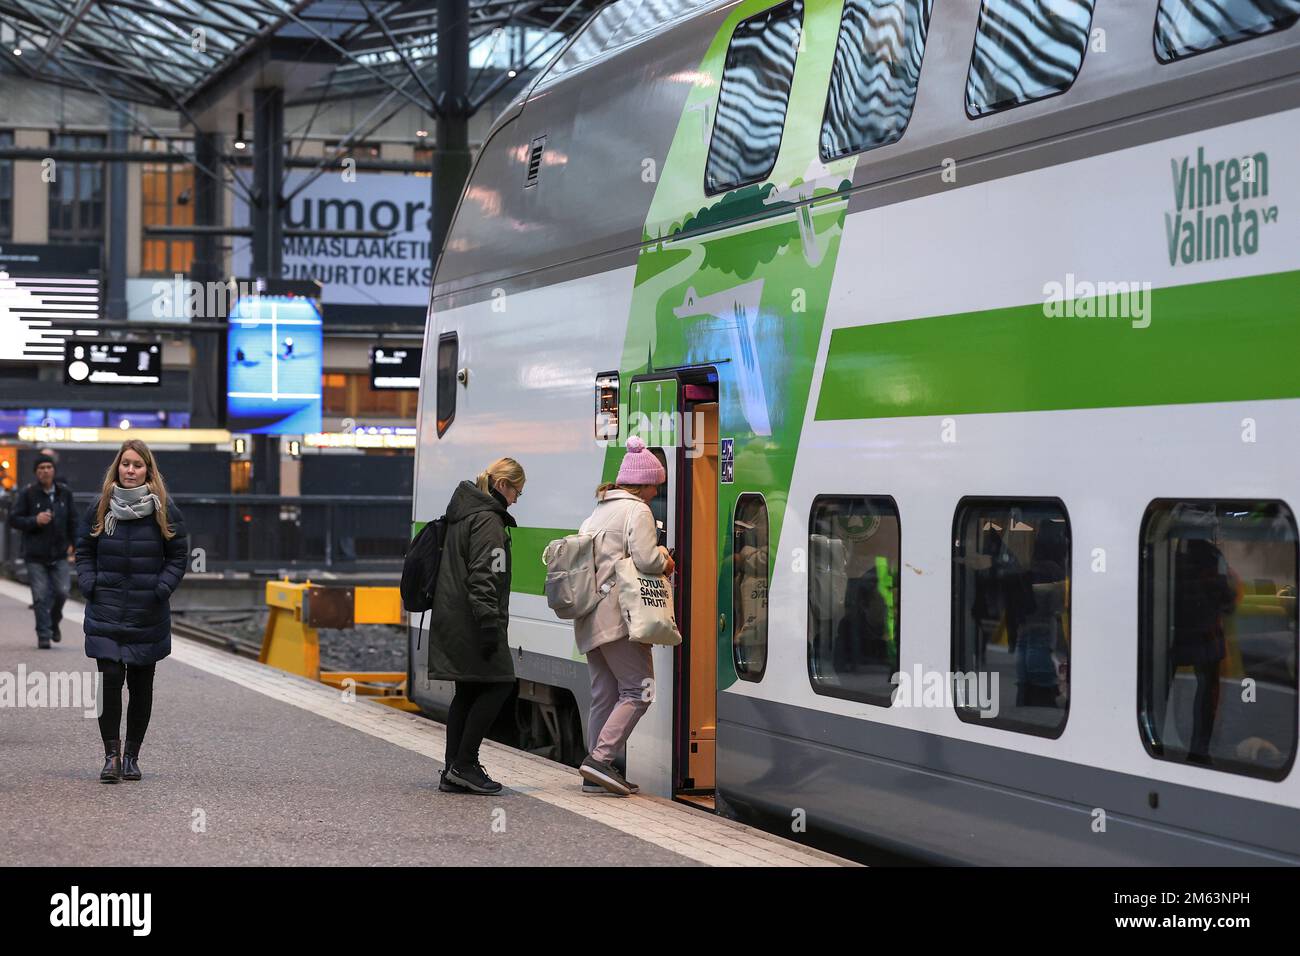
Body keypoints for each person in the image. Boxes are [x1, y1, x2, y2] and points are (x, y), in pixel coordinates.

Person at [76, 440, 188, 783]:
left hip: (146, 612)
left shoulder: (164, 509)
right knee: (108, 680)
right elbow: (83, 548)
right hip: (106, 609)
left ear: (148, 471)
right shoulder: (101, 506)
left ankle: (132, 757)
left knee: (141, 686)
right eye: (125, 463)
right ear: (117, 467)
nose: (130, 470)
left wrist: (161, 588)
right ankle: (111, 755)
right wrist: (89, 583)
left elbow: (179, 555)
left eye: (137, 465)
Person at [574, 436, 675, 796]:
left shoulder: (598, 510)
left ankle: (595, 771)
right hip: (619, 616)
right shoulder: (637, 510)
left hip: (588, 614)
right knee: (638, 690)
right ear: (644, 483)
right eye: (655, 486)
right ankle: (600, 760)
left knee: (604, 693)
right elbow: (647, 560)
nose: (655, 493)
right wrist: (667, 558)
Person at [428, 457, 525, 795]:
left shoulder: (465, 512)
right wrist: (488, 624)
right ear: (502, 485)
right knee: (500, 683)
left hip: (455, 617)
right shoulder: (488, 520)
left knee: (468, 690)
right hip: (473, 619)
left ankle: (453, 769)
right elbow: (486, 574)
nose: (515, 500)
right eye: (517, 492)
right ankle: (465, 764)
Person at [8, 455, 78, 648]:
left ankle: (54, 622)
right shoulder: (28, 494)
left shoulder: (65, 493)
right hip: (35, 555)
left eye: (48, 467)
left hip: (59, 553)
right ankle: (44, 635)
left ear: (54, 470)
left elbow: (73, 520)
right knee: (39, 596)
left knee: (62, 592)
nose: (45, 471)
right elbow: (14, 519)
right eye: (41, 468)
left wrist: (76, 544)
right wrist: (34, 520)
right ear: (36, 473)